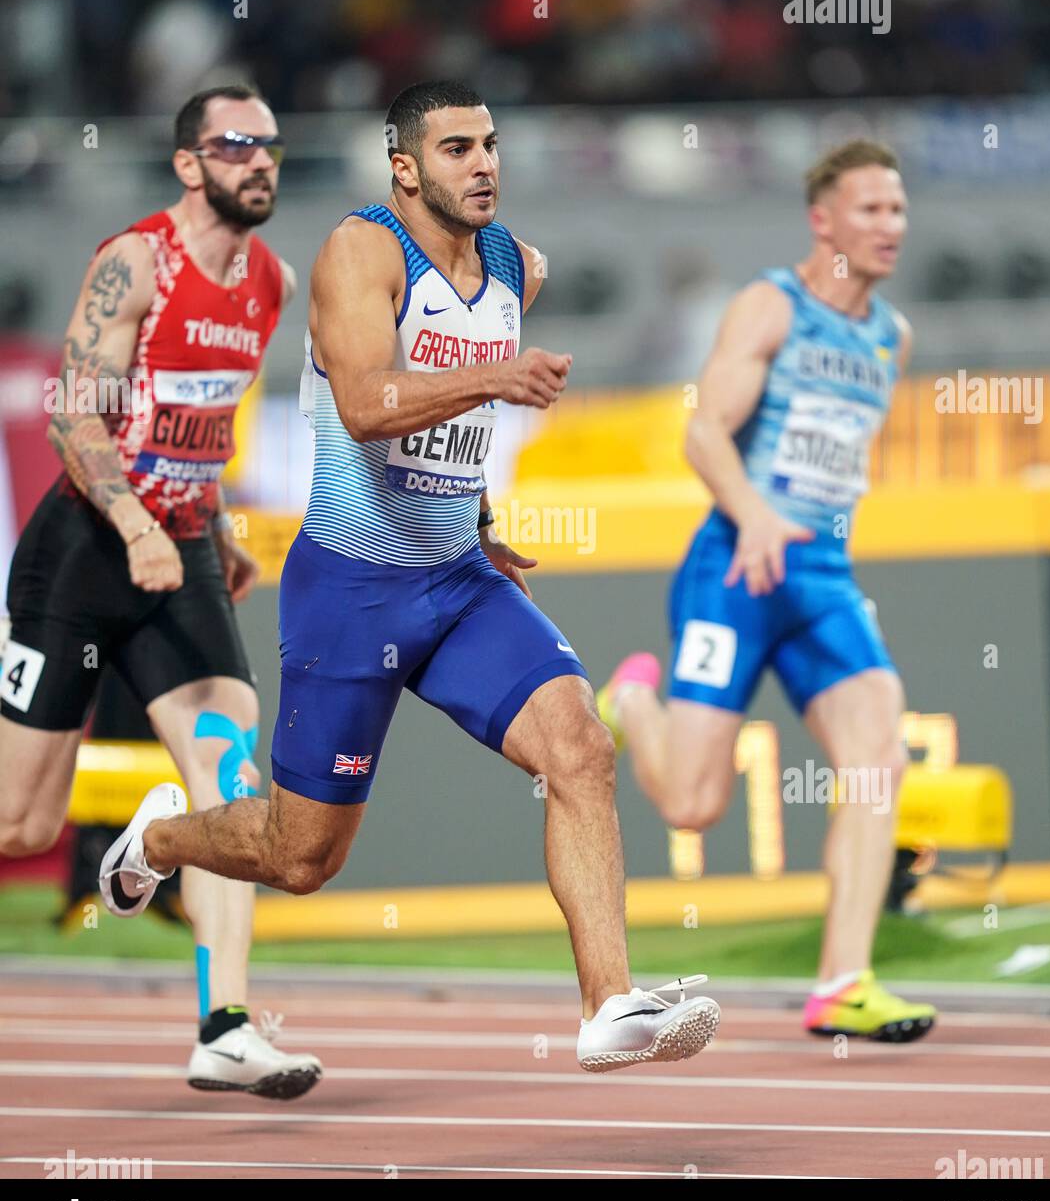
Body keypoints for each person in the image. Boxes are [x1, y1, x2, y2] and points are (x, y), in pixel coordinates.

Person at [101, 80, 721, 1072]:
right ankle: (158, 845)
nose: (483, 164)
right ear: (405, 168)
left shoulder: (518, 264)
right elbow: (363, 404)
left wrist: (477, 518)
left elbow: (458, 426)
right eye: (457, 149)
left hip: (456, 581)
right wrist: (496, 379)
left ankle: (609, 1005)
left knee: (580, 750)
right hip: (348, 586)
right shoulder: (361, 250)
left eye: (490, 145)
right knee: (301, 858)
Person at [0, 85, 322, 1096]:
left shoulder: (268, 280)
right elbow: (73, 419)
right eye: (236, 146)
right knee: (24, 826)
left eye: (271, 147)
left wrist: (210, 532)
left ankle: (225, 1024)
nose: (259, 161)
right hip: (84, 549)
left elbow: (207, 422)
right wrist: (136, 525)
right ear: (188, 164)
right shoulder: (133, 262)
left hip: (179, 552)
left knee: (232, 781)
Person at [598, 140, 936, 1043]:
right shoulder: (768, 306)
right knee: (692, 805)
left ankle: (843, 983)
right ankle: (633, 698)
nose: (888, 226)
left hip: (819, 578)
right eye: (869, 210)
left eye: (897, 210)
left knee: (878, 751)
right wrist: (750, 514)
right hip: (736, 571)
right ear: (822, 220)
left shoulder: (890, 336)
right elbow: (703, 432)